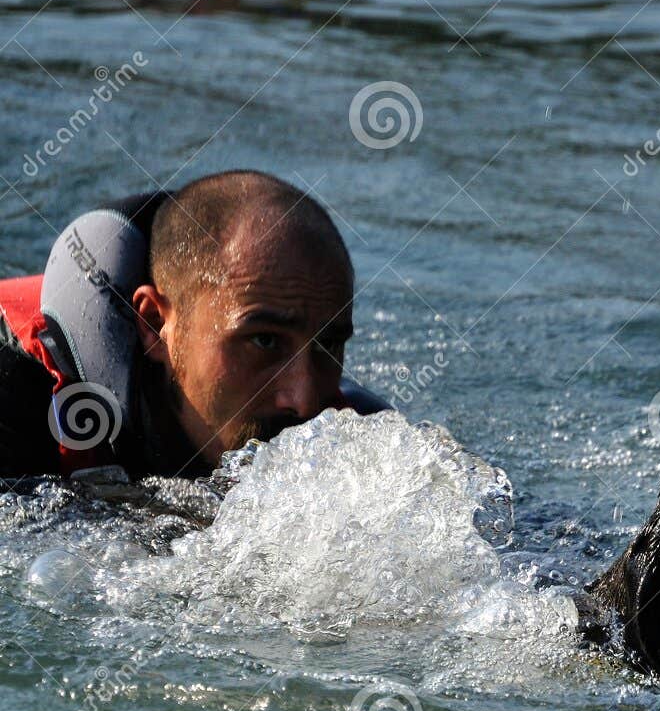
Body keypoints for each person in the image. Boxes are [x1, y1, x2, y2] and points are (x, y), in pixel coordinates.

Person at [0, 169, 387, 479]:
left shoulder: (360, 437)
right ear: (155, 324)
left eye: (328, 344)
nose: (304, 401)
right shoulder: (15, 406)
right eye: (265, 341)